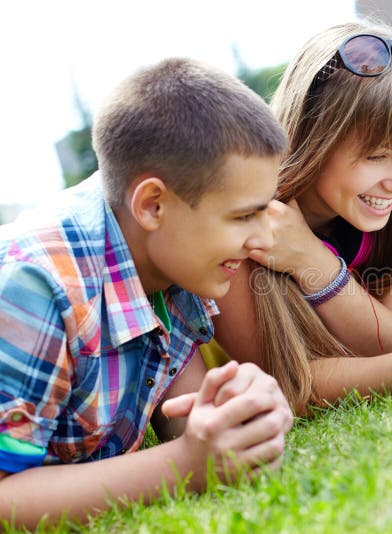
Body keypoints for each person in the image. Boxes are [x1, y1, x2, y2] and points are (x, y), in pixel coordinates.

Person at [0, 58, 294, 528]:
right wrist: (183, 467)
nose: (266, 239)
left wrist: (237, 417)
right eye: (244, 217)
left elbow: (184, 410)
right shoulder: (36, 287)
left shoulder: (167, 254)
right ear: (152, 205)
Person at [209, 21, 392, 414]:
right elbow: (286, 384)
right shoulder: (240, 220)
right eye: (377, 156)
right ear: (315, 138)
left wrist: (314, 263)